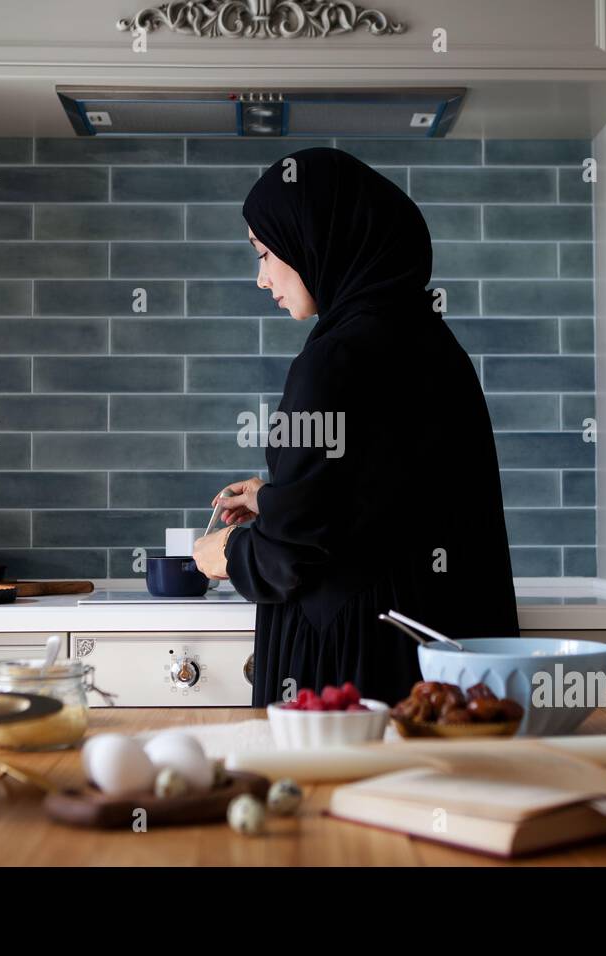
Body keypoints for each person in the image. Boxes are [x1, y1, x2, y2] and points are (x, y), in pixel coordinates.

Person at [192, 146, 519, 706]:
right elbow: (377, 498)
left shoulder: (334, 358)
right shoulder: (435, 345)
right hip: (432, 657)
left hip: (349, 661)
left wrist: (224, 555)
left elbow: (294, 555)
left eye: (265, 253)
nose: (261, 277)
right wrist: (275, 498)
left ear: (315, 239)